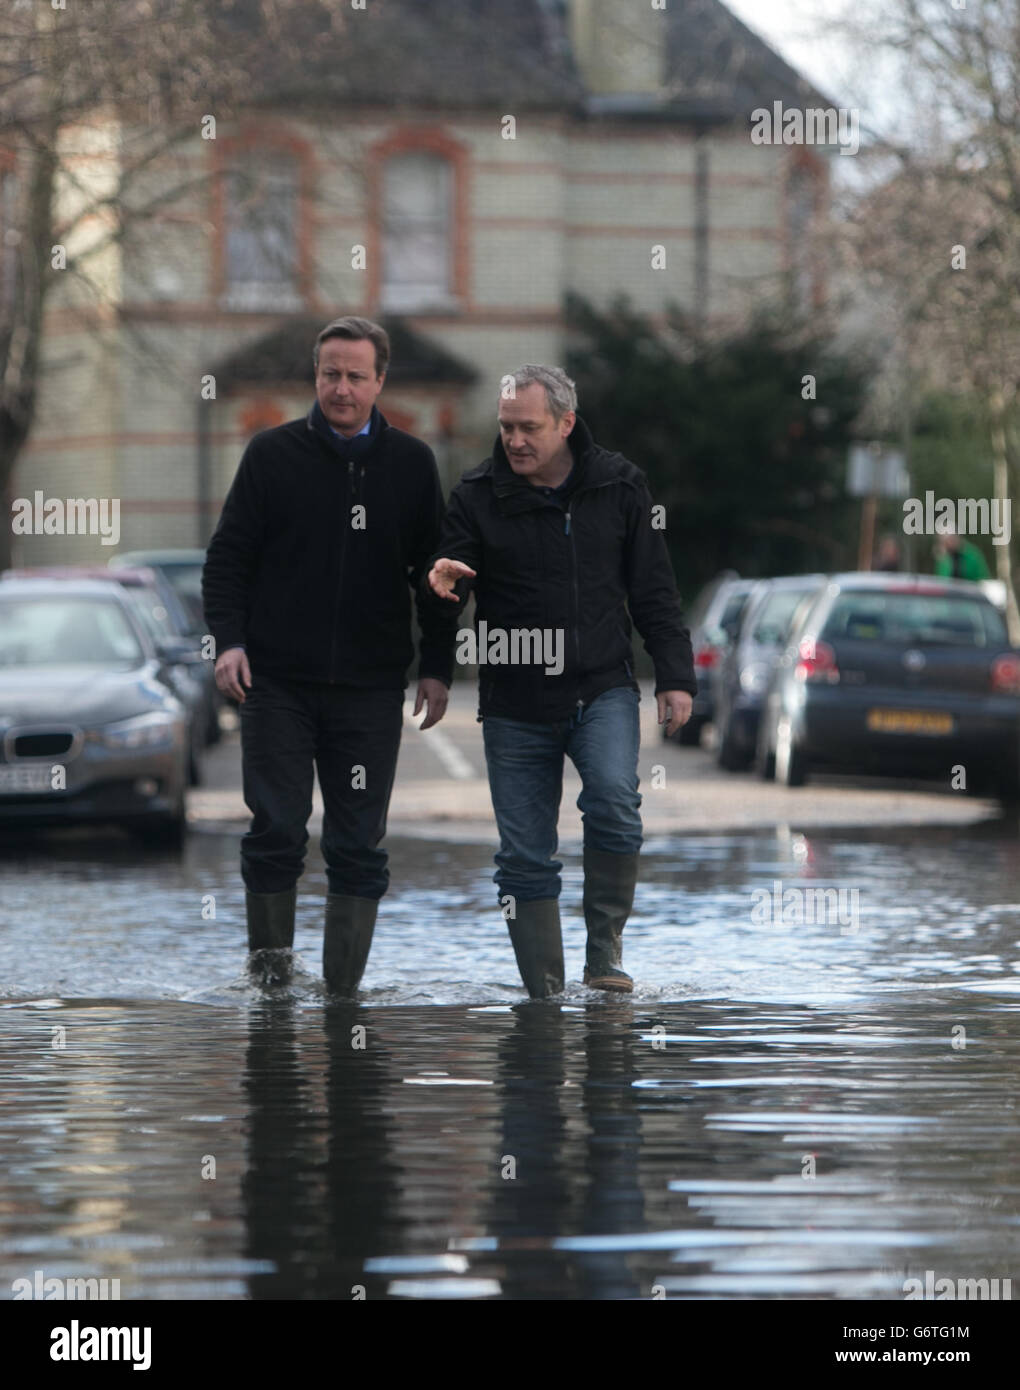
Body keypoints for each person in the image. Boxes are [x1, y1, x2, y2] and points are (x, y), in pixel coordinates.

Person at [424, 365, 696, 998]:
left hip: (600, 686)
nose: (515, 441)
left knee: (613, 803)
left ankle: (604, 955)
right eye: (506, 427)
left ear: (565, 423)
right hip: (514, 700)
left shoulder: (622, 486)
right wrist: (437, 621)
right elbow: (447, 584)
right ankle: (543, 994)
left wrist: (674, 677)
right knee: (523, 856)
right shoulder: (475, 495)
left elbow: (655, 589)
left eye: (529, 428)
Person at [202, 316, 456, 993]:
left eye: (355, 376)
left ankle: (343, 999)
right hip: (277, 683)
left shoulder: (410, 465)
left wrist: (436, 666)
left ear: (379, 381)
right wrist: (228, 642)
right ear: (315, 378)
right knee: (278, 828)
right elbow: (228, 560)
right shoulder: (271, 455)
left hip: (370, 690)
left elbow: (433, 577)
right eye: (330, 374)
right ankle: (271, 982)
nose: (341, 388)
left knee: (356, 845)